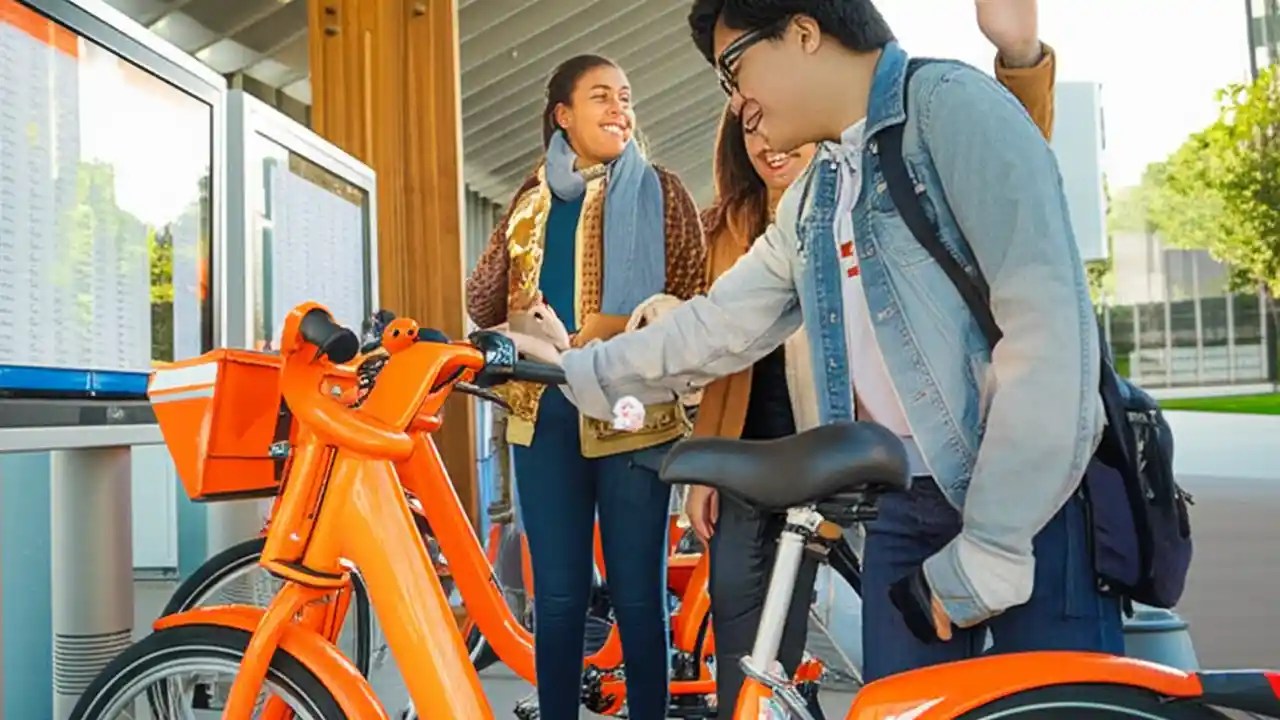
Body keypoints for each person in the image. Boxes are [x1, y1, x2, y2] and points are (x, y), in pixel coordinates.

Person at [552, 0, 1123, 685]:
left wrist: (992, 546)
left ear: (803, 31)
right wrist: (573, 371)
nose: (739, 106)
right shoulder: (821, 188)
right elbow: (717, 324)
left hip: (1030, 506)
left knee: (1045, 702)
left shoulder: (951, 109)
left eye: (736, 71)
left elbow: (1048, 335)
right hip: (900, 505)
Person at [690, 2, 1059, 706]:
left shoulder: (886, 165)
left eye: (745, 80)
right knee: (766, 642)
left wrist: (1020, 56)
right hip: (789, 466)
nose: (756, 126)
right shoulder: (746, 225)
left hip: (919, 471)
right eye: (740, 116)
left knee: (1020, 686)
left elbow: (1007, 157)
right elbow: (709, 341)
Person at [464, 54, 705, 720]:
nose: (619, 109)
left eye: (626, 97)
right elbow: (481, 298)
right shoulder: (530, 199)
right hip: (543, 412)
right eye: (600, 97)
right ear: (563, 115)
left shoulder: (663, 191)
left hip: (634, 411)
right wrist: (520, 303)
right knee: (561, 598)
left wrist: (625, 322)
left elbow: (695, 294)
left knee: (638, 594)